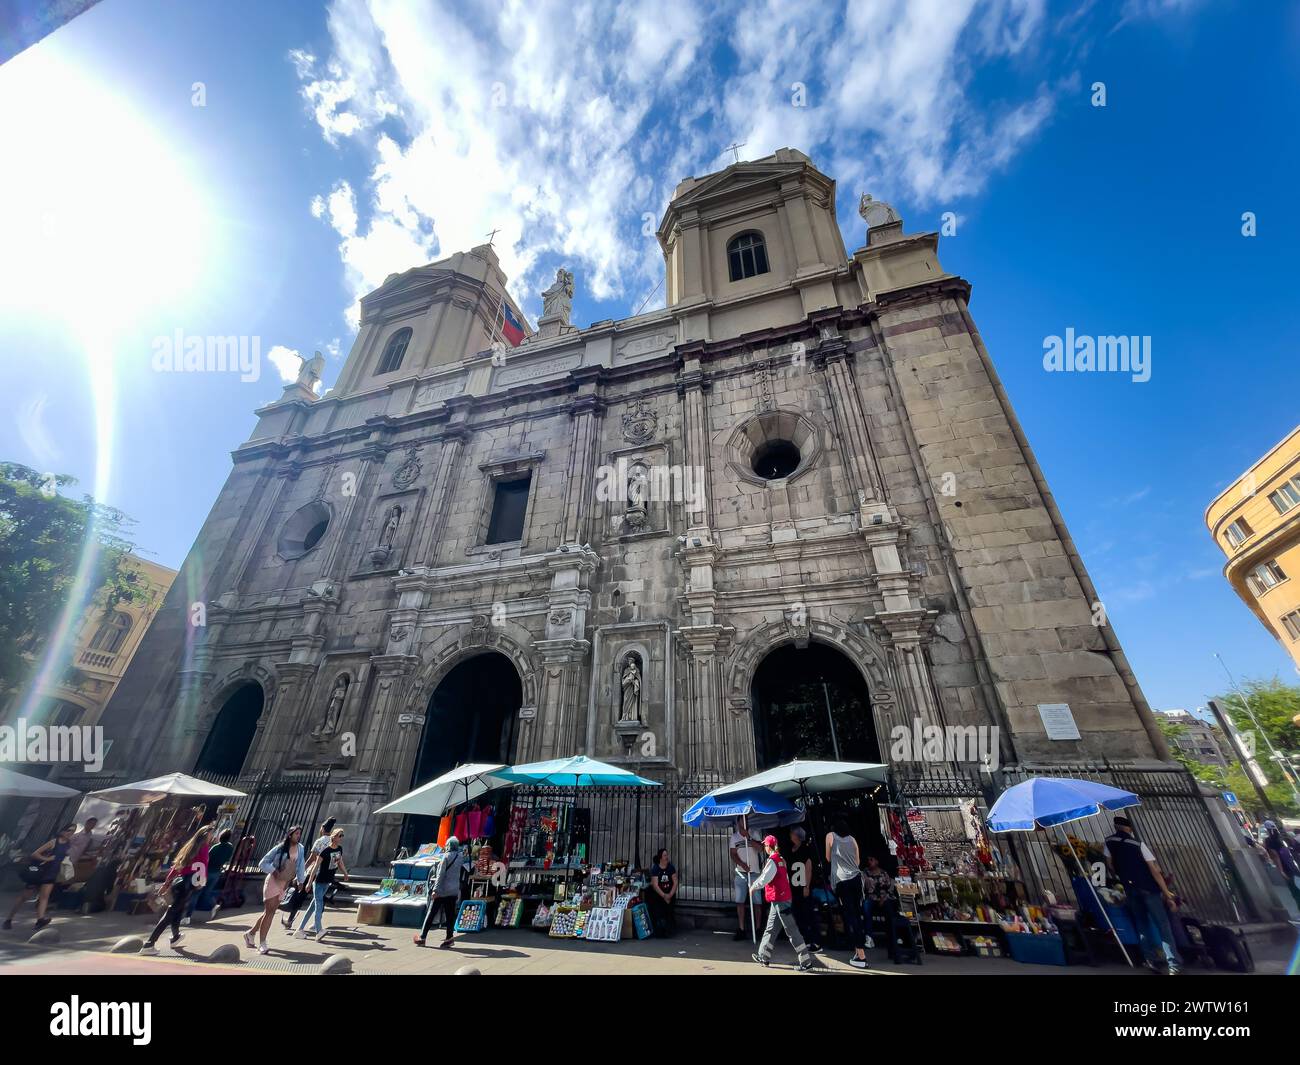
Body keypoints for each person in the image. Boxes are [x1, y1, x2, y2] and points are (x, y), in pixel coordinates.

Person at [1103, 815, 1181, 974]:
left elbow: (1109, 864)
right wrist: (1167, 893)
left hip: (1130, 888)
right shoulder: (1137, 843)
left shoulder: (1109, 841)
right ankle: (1173, 965)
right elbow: (1154, 870)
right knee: (1162, 925)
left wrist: (1122, 874)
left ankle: (1150, 959)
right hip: (1148, 888)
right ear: (1129, 828)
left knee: (1141, 924)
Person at [140, 824, 212, 955]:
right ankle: (149, 943)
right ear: (205, 836)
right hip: (189, 883)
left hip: (179, 882)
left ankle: (175, 936)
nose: (211, 837)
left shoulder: (189, 848)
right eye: (210, 835)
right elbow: (203, 866)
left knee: (177, 910)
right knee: (171, 913)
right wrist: (202, 881)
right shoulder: (204, 848)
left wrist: (166, 883)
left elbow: (176, 866)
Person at [748, 834, 814, 971]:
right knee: (771, 928)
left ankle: (806, 961)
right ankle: (763, 956)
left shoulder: (772, 861)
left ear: (768, 846)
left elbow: (764, 878)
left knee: (791, 930)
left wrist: (753, 886)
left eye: (765, 845)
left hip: (780, 900)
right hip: (780, 899)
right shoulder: (781, 859)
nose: (764, 847)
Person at [3, 824, 75, 931]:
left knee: (44, 897)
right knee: (24, 897)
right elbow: (35, 854)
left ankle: (40, 920)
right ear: (63, 831)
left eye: (73, 831)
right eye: (69, 830)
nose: (71, 833)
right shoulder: (54, 842)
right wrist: (48, 858)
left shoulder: (68, 845)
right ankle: (8, 919)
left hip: (52, 874)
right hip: (39, 873)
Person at [248, 826, 306, 955]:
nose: (298, 836)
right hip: (273, 881)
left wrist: (301, 880)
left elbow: (301, 865)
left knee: (270, 912)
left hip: (285, 884)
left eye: (299, 834)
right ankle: (262, 943)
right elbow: (263, 863)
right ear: (290, 835)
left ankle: (251, 934)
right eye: (296, 833)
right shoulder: (280, 848)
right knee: (269, 912)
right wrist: (273, 871)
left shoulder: (300, 849)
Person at [825, 817, 868, 968]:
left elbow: (828, 858)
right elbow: (857, 862)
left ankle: (861, 955)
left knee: (851, 917)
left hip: (843, 881)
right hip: (856, 879)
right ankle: (859, 949)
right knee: (857, 914)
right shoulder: (853, 840)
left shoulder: (830, 836)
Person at [295, 826, 348, 939]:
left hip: (328, 880)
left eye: (342, 836)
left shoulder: (339, 849)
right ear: (333, 837)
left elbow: (340, 862)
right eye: (340, 835)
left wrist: (345, 873)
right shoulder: (325, 851)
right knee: (319, 905)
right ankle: (319, 931)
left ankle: (299, 930)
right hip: (319, 881)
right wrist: (309, 882)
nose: (341, 838)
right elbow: (315, 867)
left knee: (313, 906)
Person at [414, 836, 466, 948]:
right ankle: (449, 938)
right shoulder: (460, 857)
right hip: (453, 890)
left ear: (448, 846)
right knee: (450, 915)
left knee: (431, 913)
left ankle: (422, 937)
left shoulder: (445, 857)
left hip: (442, 890)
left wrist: (435, 890)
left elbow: (440, 876)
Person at [284, 817, 336, 928]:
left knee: (300, 895)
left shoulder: (320, 841)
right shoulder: (333, 841)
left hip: (313, 872)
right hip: (326, 874)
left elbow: (311, 859)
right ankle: (316, 922)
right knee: (319, 898)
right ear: (331, 830)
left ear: (322, 828)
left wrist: (300, 872)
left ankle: (290, 920)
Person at [783, 826, 820, 952]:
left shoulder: (805, 850)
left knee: (807, 913)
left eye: (792, 833)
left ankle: (814, 940)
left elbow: (808, 868)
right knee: (797, 914)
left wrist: (806, 886)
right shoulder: (791, 849)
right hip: (793, 887)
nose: (790, 835)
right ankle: (803, 939)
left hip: (802, 887)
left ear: (798, 836)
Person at [185, 828, 235, 922]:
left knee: (196, 893)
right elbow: (227, 858)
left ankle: (189, 915)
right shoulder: (230, 847)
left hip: (206, 871)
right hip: (217, 872)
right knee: (207, 891)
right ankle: (208, 908)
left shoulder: (215, 847)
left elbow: (206, 859)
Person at [729, 819, 766, 940]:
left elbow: (761, 849)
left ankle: (758, 928)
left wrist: (748, 838)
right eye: (742, 820)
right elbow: (733, 854)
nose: (744, 822)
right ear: (738, 822)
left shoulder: (754, 833)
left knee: (757, 903)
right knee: (740, 901)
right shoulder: (734, 837)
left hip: (754, 872)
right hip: (741, 872)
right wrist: (742, 864)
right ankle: (741, 929)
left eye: (746, 819)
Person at [1262, 820, 1300, 905]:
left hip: (1285, 866)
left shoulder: (1268, 840)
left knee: (1294, 889)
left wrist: (1281, 871)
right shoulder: (1284, 836)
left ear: (1266, 829)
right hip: (1293, 863)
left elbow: (1275, 856)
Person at [861, 854, 895, 950]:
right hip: (871, 897)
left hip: (884, 897)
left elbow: (889, 888)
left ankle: (893, 935)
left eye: (871, 859)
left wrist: (883, 898)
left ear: (876, 861)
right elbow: (864, 888)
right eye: (868, 860)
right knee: (866, 908)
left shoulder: (883, 873)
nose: (869, 862)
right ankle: (869, 937)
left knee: (889, 908)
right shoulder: (865, 873)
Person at [645, 847, 678, 936]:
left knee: (669, 910)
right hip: (659, 894)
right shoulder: (656, 868)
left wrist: (670, 894)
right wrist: (664, 896)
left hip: (669, 893)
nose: (667, 857)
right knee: (658, 908)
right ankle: (660, 929)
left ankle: (669, 928)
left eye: (667, 855)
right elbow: (655, 885)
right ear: (660, 857)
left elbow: (675, 882)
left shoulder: (671, 867)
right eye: (665, 855)